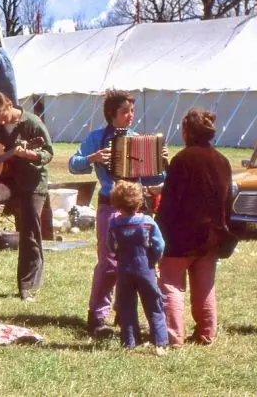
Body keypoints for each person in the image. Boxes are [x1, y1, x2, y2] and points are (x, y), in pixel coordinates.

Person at [68, 89, 166, 336]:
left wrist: (162, 162)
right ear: (112, 113)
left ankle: (127, 314)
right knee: (109, 262)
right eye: (125, 112)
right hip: (109, 204)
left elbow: (155, 177)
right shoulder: (97, 137)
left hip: (137, 206)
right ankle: (98, 316)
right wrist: (93, 157)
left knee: (138, 261)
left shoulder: (139, 140)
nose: (130, 116)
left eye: (132, 111)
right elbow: (73, 164)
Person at [156, 108, 232, 347]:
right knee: (204, 285)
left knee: (171, 283)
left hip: (181, 235)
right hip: (212, 235)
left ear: (188, 131)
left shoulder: (182, 160)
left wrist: (157, 229)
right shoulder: (222, 160)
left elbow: (170, 202)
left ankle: (173, 336)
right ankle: (207, 333)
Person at [0, 91, 54, 302]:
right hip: (8, 179)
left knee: (28, 232)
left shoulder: (32, 123)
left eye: (2, 116)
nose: (0, 122)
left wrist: (29, 154)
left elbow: (48, 153)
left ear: (9, 104)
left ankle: (27, 287)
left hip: (32, 182)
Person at [107, 180, 168, 355]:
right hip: (145, 268)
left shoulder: (114, 223)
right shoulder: (148, 222)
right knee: (153, 304)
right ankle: (160, 342)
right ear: (140, 201)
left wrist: (117, 255)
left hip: (124, 269)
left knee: (126, 306)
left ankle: (129, 341)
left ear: (115, 203)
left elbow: (110, 246)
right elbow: (159, 245)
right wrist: (154, 260)